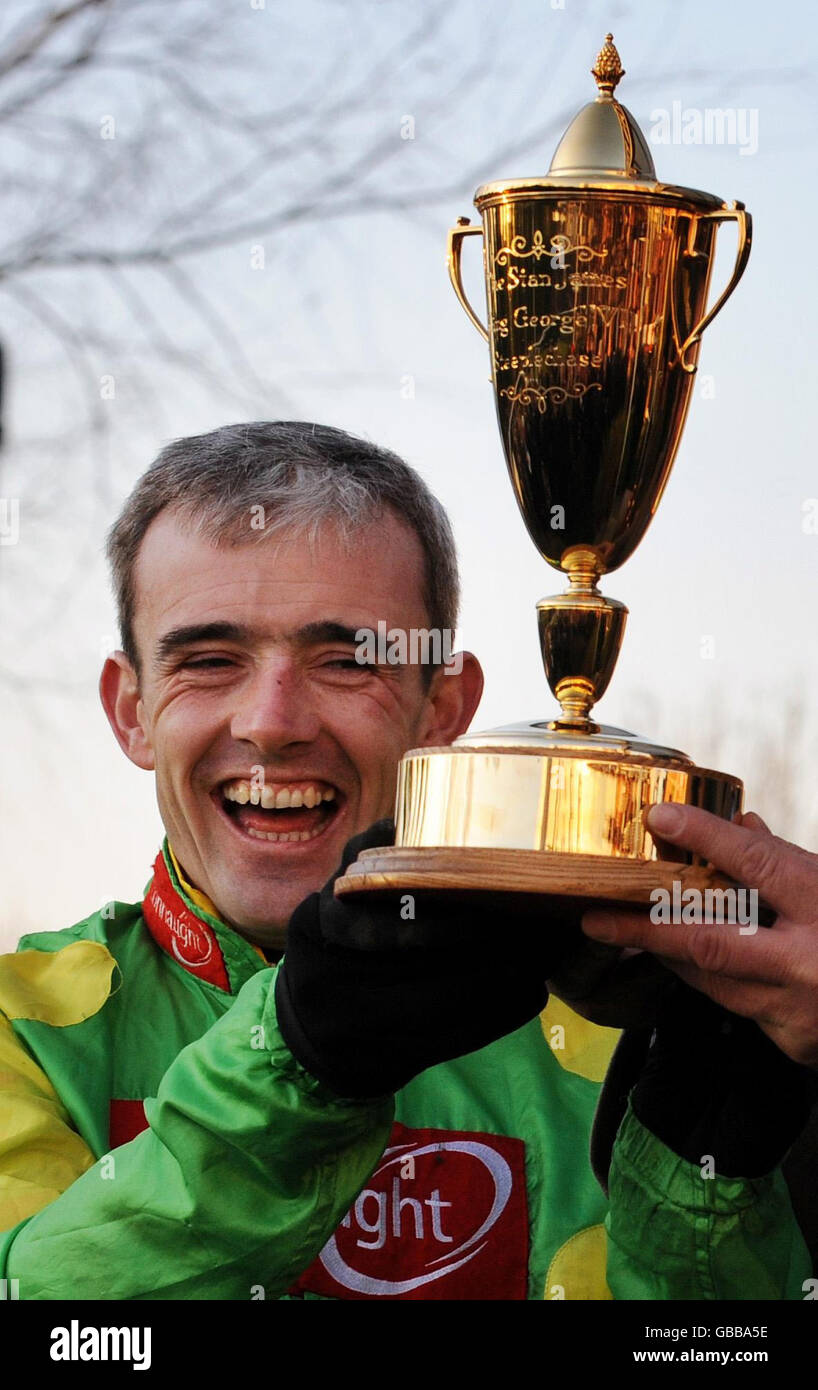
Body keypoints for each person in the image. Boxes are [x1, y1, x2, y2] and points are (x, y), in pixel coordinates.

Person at [0, 422, 811, 1301]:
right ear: (131, 711)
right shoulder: (22, 1031)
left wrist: (707, 1205)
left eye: (349, 660)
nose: (272, 722)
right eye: (209, 659)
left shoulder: (619, 1037)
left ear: (445, 710)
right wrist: (297, 1061)